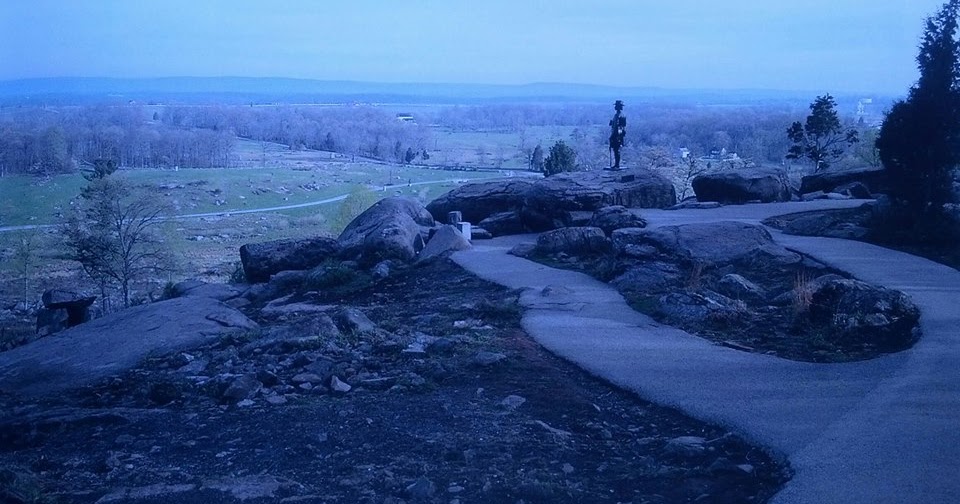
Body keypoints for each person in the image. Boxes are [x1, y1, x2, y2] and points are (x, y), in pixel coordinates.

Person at [608, 100, 626, 170]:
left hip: (617, 136)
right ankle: (616, 164)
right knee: (615, 150)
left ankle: (617, 164)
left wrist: (616, 136)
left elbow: (620, 127)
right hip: (616, 135)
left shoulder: (620, 116)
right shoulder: (617, 115)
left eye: (616, 106)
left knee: (616, 150)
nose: (615, 107)